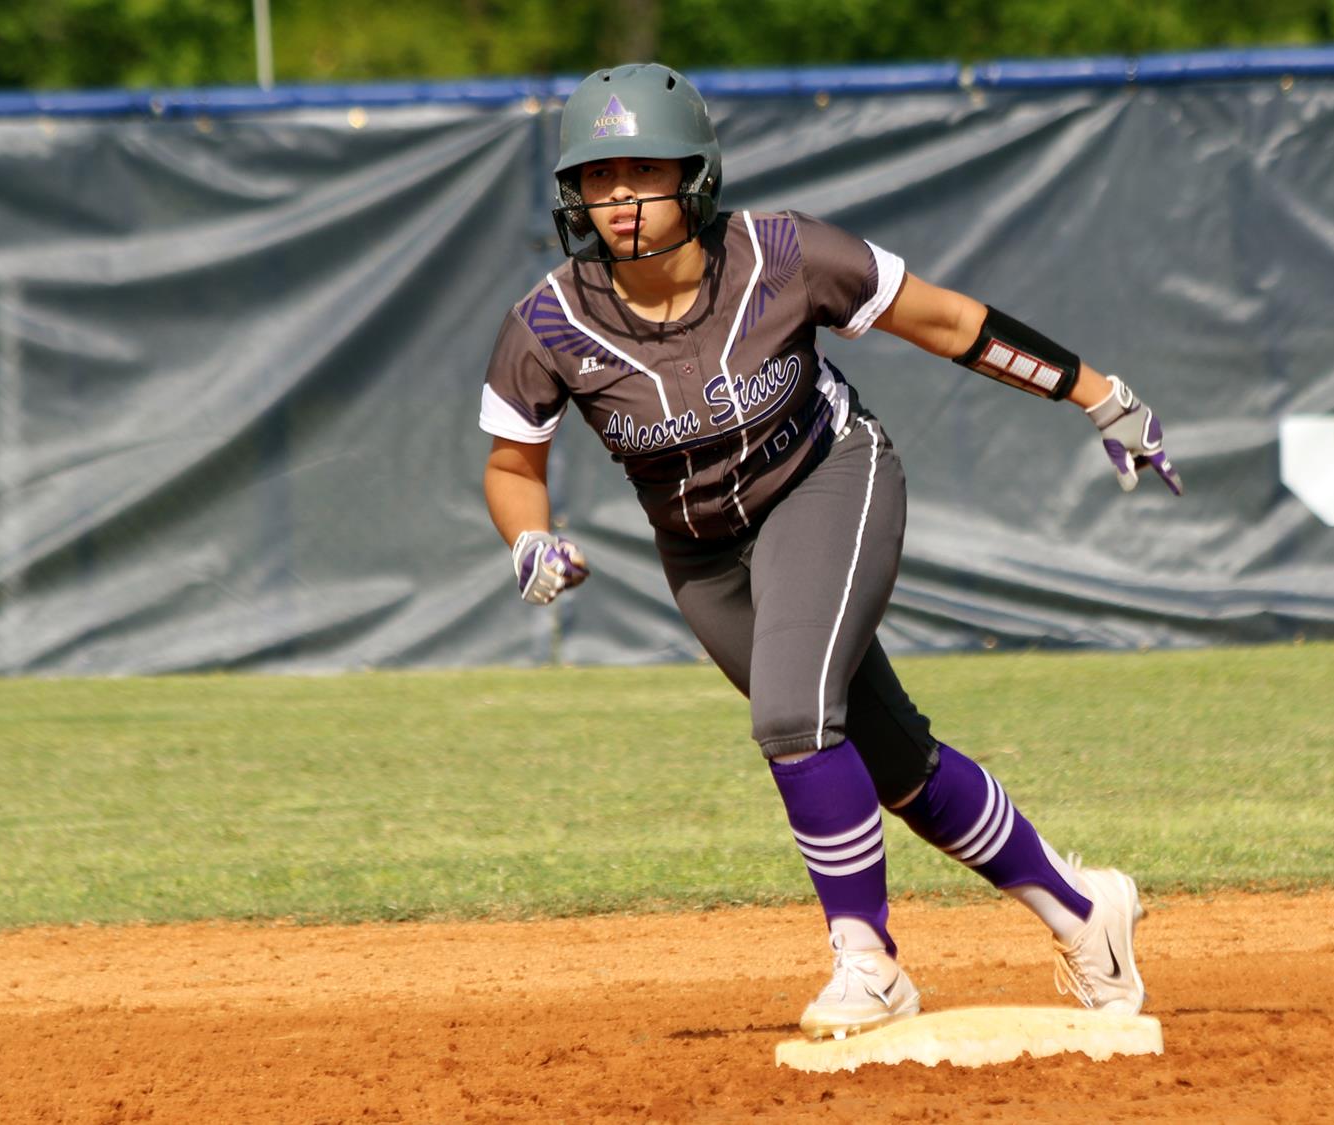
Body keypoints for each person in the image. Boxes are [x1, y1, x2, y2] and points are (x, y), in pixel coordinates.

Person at [478, 63, 1181, 1041]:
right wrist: (528, 538)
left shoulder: (783, 255)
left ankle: (868, 961)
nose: (620, 199)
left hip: (827, 481)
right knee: (893, 763)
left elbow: (945, 321)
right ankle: (1080, 910)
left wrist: (1097, 392)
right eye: (598, 177)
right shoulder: (549, 321)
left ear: (696, 177)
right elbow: (511, 464)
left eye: (644, 172)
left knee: (792, 716)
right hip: (702, 557)